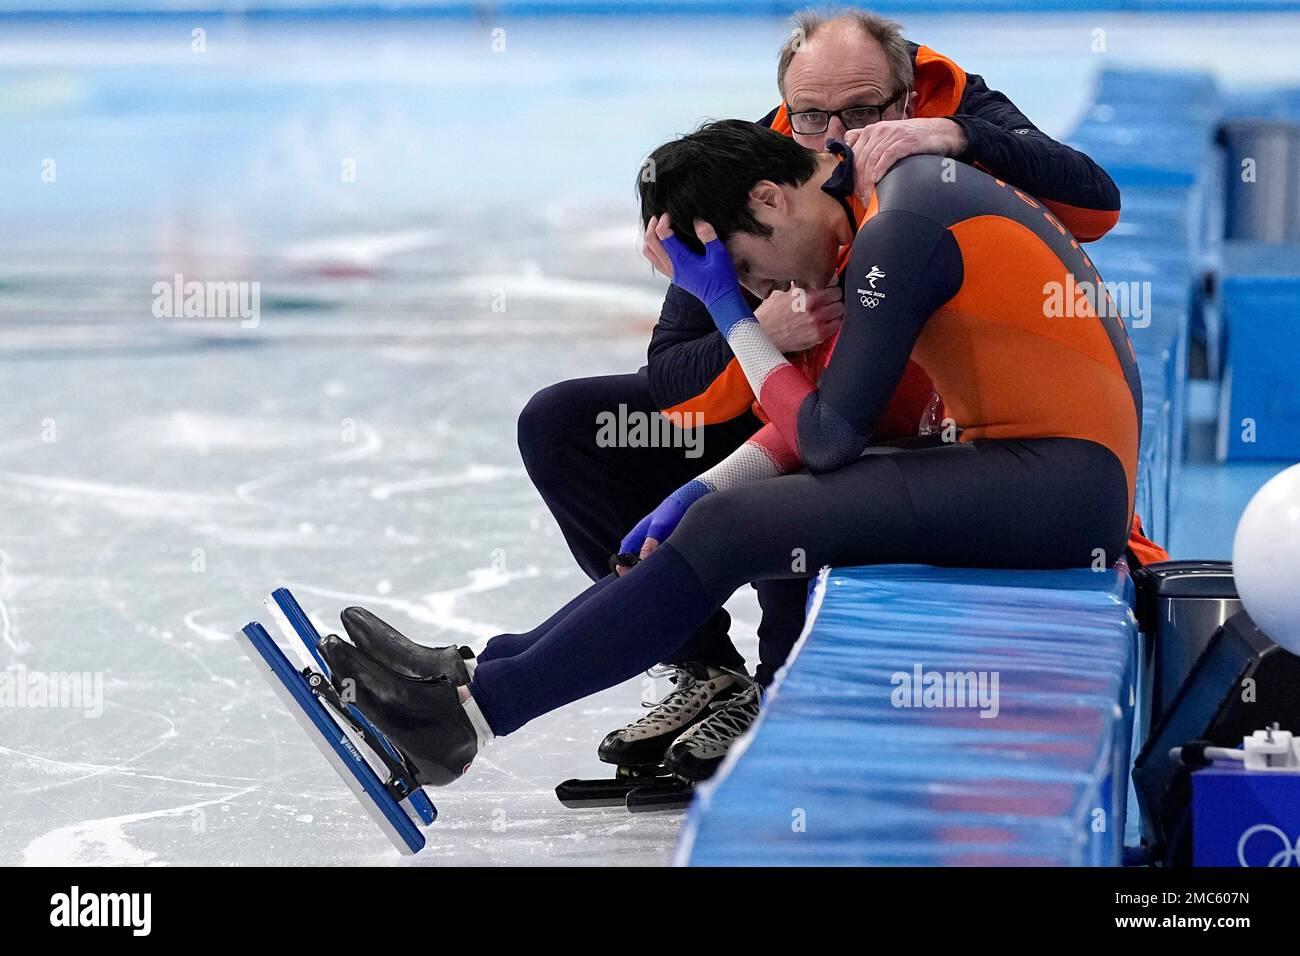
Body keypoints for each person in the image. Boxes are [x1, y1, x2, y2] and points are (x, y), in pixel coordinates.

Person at [319, 118, 1142, 789]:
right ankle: (472, 681)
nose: (759, 290)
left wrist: (730, 317)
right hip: (1036, 470)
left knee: (731, 531)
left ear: (770, 198)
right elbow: (825, 425)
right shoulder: (880, 211)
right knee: (716, 518)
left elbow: (826, 438)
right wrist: (695, 490)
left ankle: (466, 721)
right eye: (739, 284)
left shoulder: (899, 230)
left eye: (746, 267)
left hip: (1060, 486)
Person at [516, 8, 1126, 782]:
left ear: (908, 102)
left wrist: (960, 139)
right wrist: (753, 325)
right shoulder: (756, 169)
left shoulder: (929, 158)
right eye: (811, 115)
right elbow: (670, 372)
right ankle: (706, 673)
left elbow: (1098, 203)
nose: (835, 136)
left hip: (916, 423)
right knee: (571, 425)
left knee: (799, 484)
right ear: (786, 115)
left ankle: (774, 690)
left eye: (864, 112)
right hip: (811, 405)